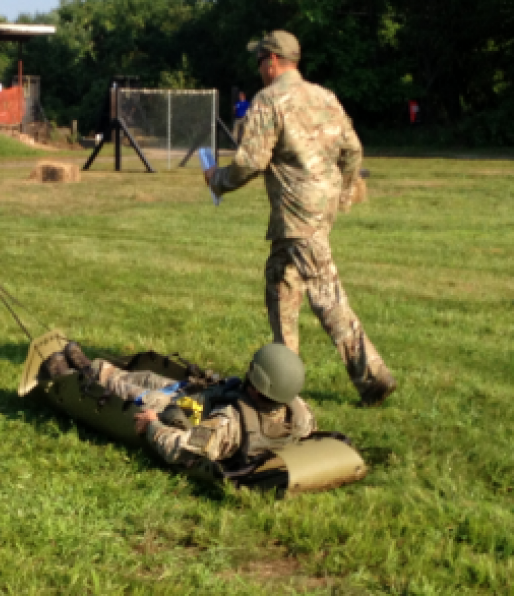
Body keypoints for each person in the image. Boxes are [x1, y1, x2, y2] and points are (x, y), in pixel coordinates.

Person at [203, 30, 396, 407]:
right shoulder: (325, 97)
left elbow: (250, 162)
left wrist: (218, 180)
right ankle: (282, 373)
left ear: (273, 60)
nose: (258, 68)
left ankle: (373, 377)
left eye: (260, 61)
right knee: (279, 283)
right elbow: (353, 149)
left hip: (297, 216)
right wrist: (342, 192)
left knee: (325, 293)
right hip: (316, 213)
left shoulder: (269, 99)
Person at [42, 341, 316, 465]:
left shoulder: (227, 426)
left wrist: (152, 425)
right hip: (195, 395)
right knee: (148, 377)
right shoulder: (297, 413)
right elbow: (308, 429)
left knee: (124, 388)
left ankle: (73, 373)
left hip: (180, 409)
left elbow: (181, 449)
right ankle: (92, 366)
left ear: (257, 386)